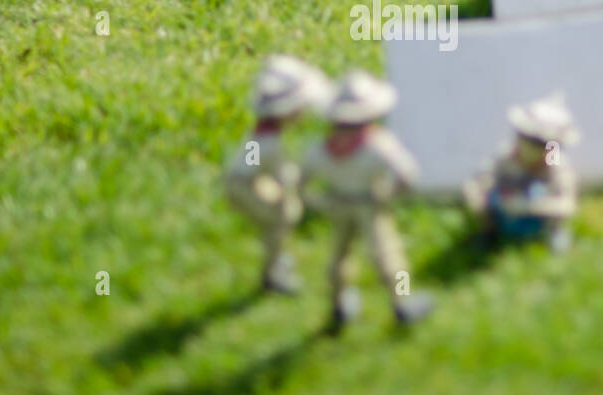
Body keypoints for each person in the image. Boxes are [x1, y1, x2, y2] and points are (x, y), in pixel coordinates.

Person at [302, 70, 433, 330]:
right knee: (388, 255)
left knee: (340, 255)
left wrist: (317, 202)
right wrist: (390, 194)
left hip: (339, 202)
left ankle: (339, 301)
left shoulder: (320, 148)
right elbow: (407, 174)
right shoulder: (378, 146)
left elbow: (301, 181)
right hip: (368, 203)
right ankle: (403, 301)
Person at [224, 55, 329, 293]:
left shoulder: (261, 135)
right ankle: (273, 270)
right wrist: (308, 190)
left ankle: (276, 261)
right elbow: (284, 176)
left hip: (243, 179)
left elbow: (253, 160)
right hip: (242, 185)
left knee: (284, 209)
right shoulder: (269, 144)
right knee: (282, 215)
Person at [465, 96, 579, 253]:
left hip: (539, 215)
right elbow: (479, 182)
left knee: (540, 194)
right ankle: (490, 234)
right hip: (505, 212)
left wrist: (530, 205)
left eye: (540, 143)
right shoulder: (505, 157)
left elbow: (567, 203)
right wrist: (483, 201)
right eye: (526, 137)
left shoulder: (555, 163)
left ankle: (554, 234)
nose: (530, 146)